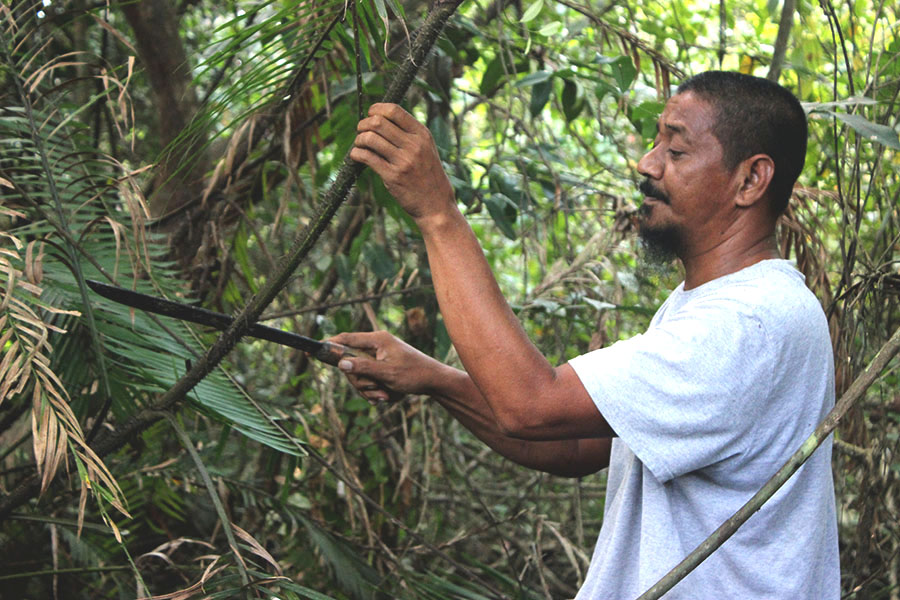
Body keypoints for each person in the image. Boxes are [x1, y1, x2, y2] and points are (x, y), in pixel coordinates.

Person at [330, 71, 840, 598]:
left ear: (751, 180)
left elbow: (530, 405)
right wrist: (432, 378)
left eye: (678, 150)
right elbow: (577, 445)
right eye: (656, 140)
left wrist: (437, 213)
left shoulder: (748, 324)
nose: (647, 163)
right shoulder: (714, 306)